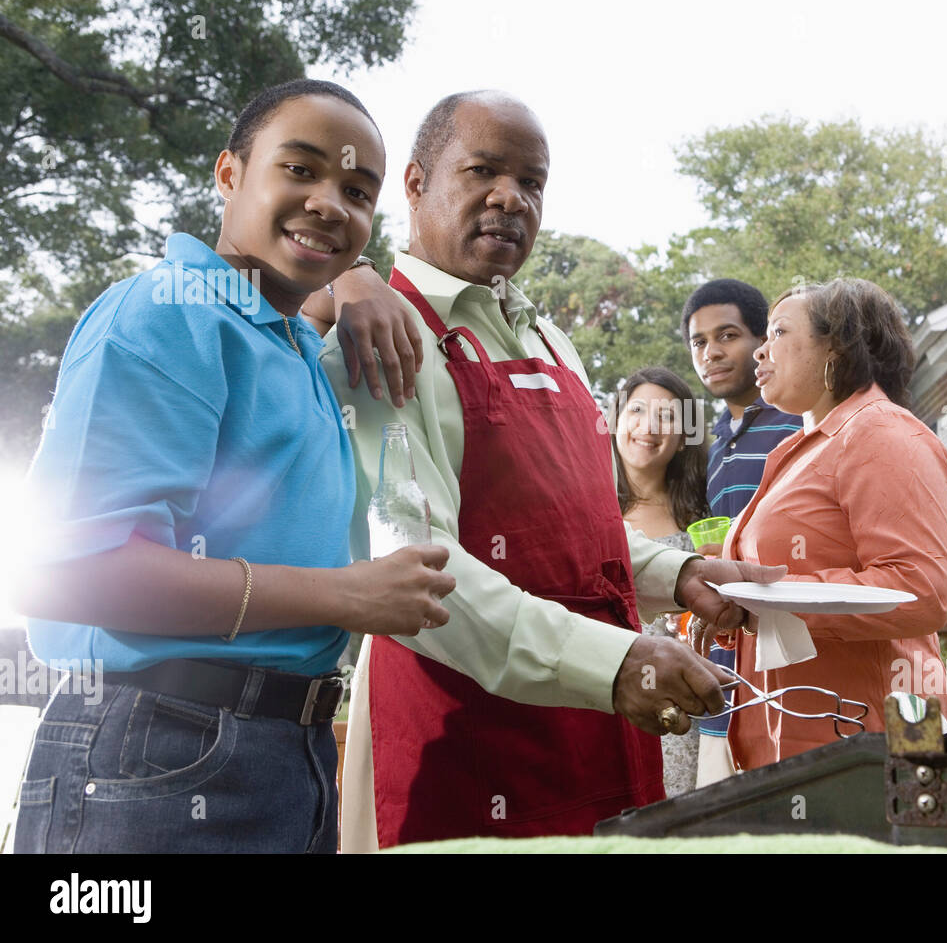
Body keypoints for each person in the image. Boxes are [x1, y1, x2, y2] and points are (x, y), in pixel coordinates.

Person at [303, 90, 784, 847]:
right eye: (484, 170)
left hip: (601, 737)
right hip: (469, 749)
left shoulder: (551, 338)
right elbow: (418, 573)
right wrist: (615, 662)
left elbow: (573, 532)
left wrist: (679, 572)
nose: (510, 197)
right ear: (417, 184)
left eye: (532, 181)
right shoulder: (382, 336)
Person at [11, 79, 456, 854]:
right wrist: (345, 595)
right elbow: (74, 573)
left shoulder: (282, 340)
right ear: (228, 174)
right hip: (159, 754)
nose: (329, 203)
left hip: (288, 751)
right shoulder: (167, 312)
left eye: (357, 190)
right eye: (300, 170)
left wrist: (355, 282)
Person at [693, 278, 947, 769]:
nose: (760, 352)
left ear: (835, 344)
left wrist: (767, 600)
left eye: (777, 333)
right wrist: (726, 602)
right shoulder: (803, 447)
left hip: (875, 738)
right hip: (802, 734)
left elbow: (924, 590)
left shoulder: (881, 432)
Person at [682, 279, 802, 785]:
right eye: (699, 342)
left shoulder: (799, 423)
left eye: (727, 335)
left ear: (761, 341)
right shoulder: (710, 446)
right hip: (723, 679)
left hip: (791, 671)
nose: (712, 352)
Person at [611, 366, 710, 797]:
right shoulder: (590, 509)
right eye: (636, 411)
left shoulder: (705, 514)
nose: (648, 427)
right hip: (607, 697)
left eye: (667, 416)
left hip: (686, 713)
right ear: (615, 419)